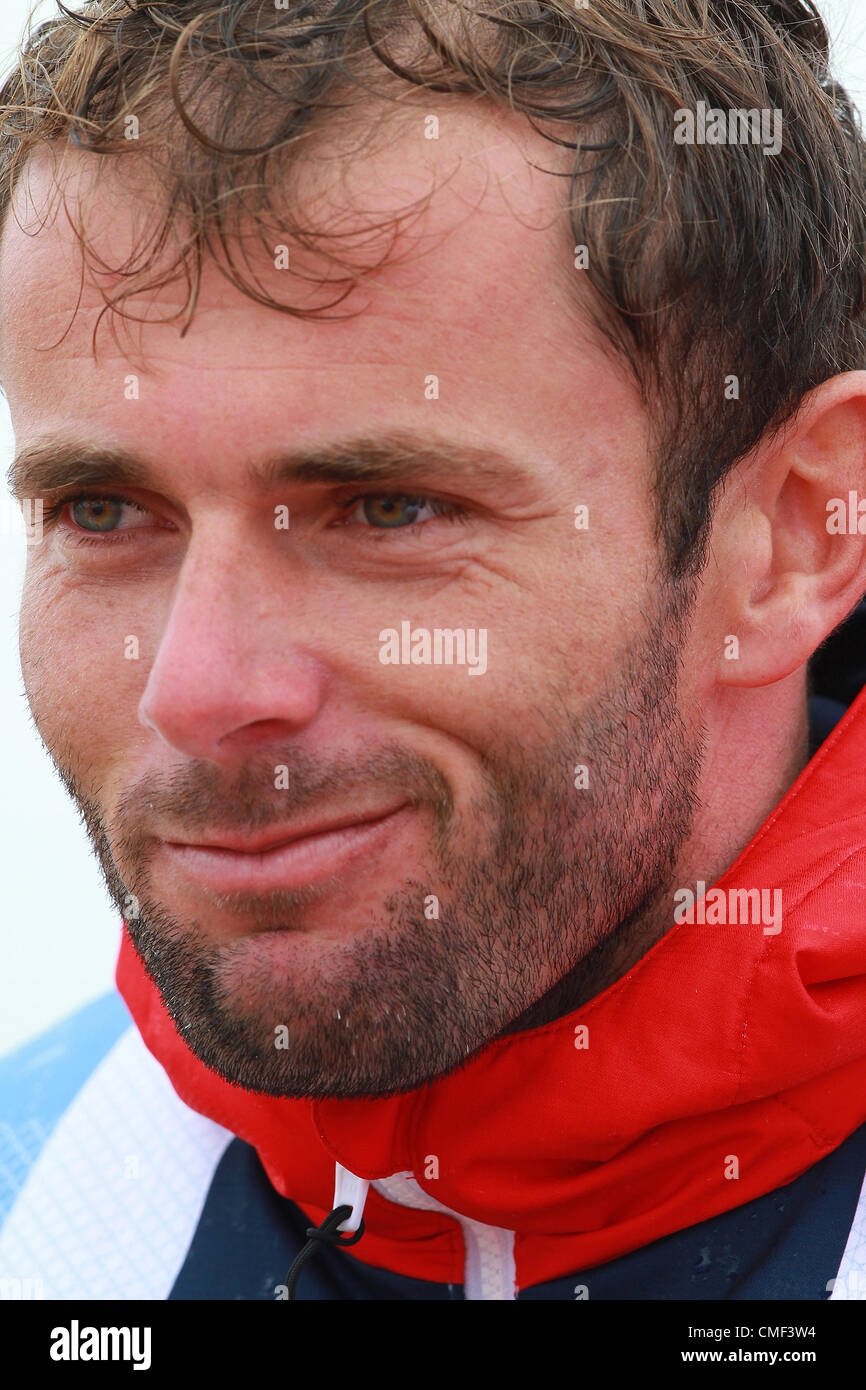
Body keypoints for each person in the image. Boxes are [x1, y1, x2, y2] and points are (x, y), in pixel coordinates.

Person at [1, 0, 865, 1301]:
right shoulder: (36, 1190)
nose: (196, 690)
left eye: (388, 509)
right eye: (105, 513)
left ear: (793, 537)